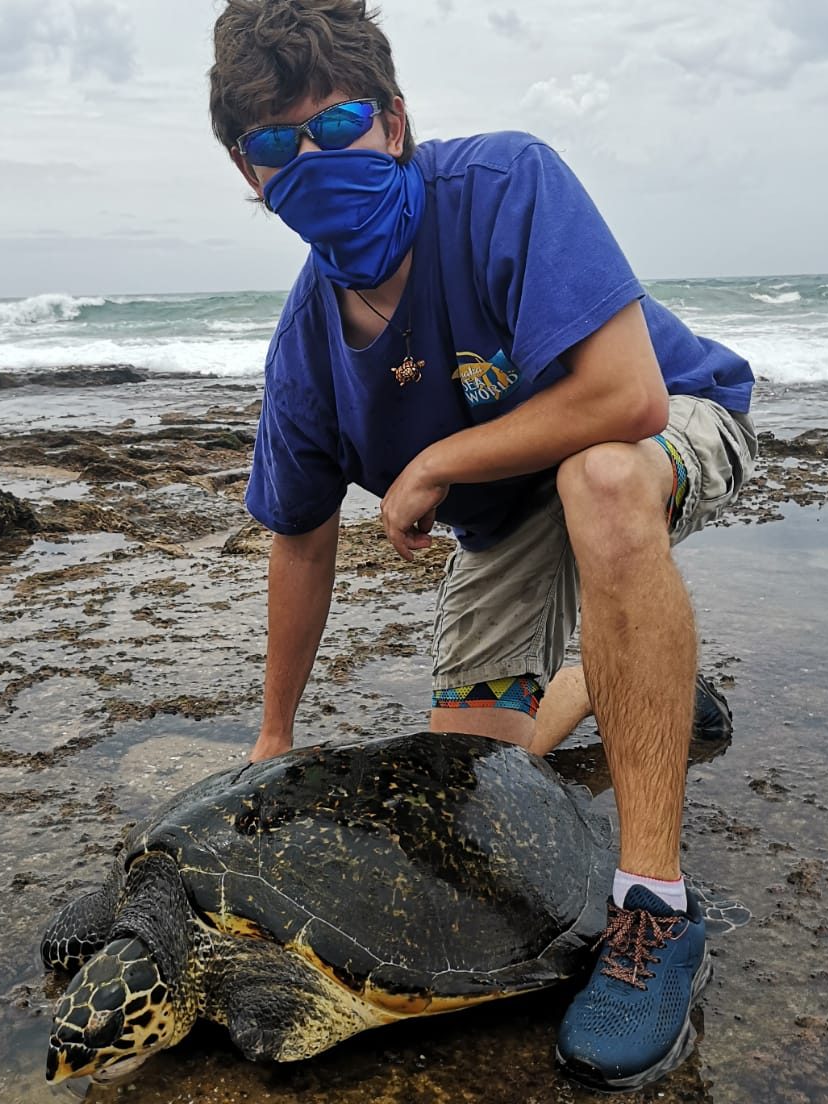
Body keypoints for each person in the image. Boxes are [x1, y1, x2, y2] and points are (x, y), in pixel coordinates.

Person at [207, 0, 756, 1091]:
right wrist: (271, 742)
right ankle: (632, 687)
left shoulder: (505, 185)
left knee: (598, 483)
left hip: (667, 428)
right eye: (276, 142)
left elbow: (625, 393)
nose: (311, 157)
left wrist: (435, 463)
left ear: (395, 124)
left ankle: (656, 914)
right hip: (511, 515)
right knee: (478, 784)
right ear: (247, 172)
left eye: (337, 125)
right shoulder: (308, 346)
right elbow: (300, 539)